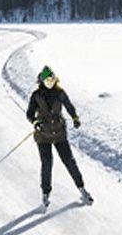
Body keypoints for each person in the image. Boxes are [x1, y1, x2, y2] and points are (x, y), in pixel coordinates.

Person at [26, 65, 93, 208]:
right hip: (43, 135)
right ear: (42, 81)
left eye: (52, 79)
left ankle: (82, 188)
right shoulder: (36, 95)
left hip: (59, 133)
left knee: (69, 161)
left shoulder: (60, 93)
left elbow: (69, 106)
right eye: (47, 80)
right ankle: (45, 193)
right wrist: (36, 122)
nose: (50, 82)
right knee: (47, 163)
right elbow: (29, 114)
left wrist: (75, 117)